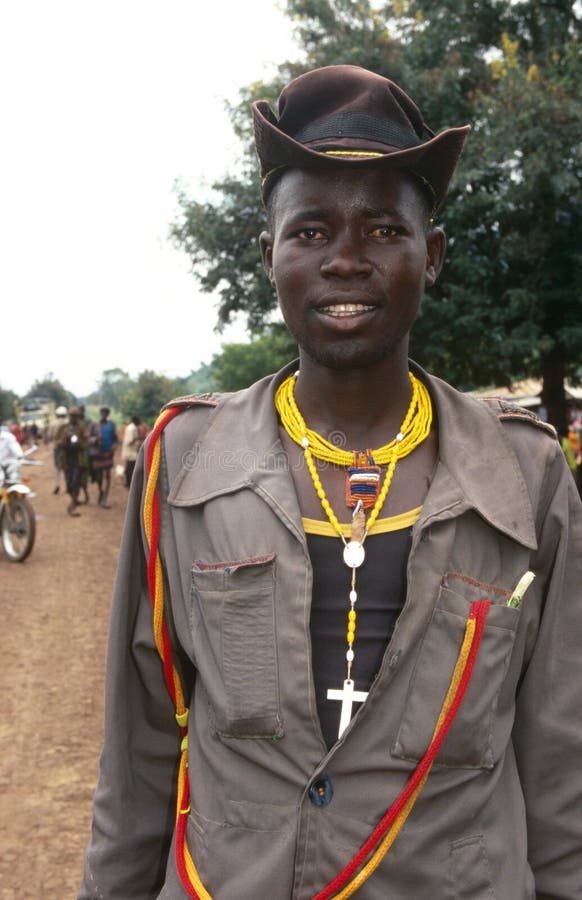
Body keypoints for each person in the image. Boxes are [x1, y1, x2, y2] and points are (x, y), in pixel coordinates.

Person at [79, 66, 582, 899]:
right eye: (310, 231)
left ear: (435, 256)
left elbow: (564, 760)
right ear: (267, 254)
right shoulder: (186, 463)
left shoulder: (525, 476)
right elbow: (137, 753)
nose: (346, 260)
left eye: (385, 230)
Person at [56, 405, 88, 516]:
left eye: (76, 416)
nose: (74, 418)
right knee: (69, 485)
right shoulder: (63, 428)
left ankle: (72, 506)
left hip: (78, 460)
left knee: (76, 482)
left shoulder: (82, 428)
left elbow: (86, 442)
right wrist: (65, 439)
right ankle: (74, 499)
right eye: (72, 416)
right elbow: (57, 443)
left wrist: (79, 442)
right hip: (66, 460)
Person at [88, 406, 118, 508]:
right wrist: (95, 439)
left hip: (108, 453)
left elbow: (115, 439)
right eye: (102, 412)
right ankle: (101, 490)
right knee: (99, 476)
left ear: (107, 414)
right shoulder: (94, 425)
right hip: (97, 453)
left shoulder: (111, 425)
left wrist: (114, 447)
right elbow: (88, 438)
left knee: (108, 476)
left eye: (106, 413)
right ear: (100, 413)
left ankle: (105, 498)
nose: (104, 414)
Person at [47, 406, 68, 494]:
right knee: (67, 467)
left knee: (57, 467)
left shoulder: (53, 423)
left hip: (57, 448)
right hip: (67, 448)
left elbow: (50, 436)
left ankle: (57, 485)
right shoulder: (68, 422)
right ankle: (68, 485)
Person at [120, 414, 142, 487]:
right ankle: (129, 483)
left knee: (129, 468)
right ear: (135, 421)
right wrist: (136, 439)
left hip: (130, 451)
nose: (140, 422)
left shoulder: (130, 427)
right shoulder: (132, 428)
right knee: (130, 469)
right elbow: (129, 441)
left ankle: (128, 483)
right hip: (131, 452)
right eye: (139, 420)